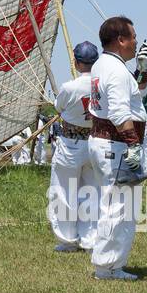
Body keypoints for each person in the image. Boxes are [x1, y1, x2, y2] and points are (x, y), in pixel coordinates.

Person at [86, 16, 147, 281]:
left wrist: (142, 68)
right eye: (133, 37)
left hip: (106, 143)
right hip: (118, 146)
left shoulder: (105, 65)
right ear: (121, 40)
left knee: (114, 204)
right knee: (119, 208)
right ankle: (107, 266)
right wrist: (134, 146)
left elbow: (134, 97)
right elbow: (120, 111)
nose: (136, 42)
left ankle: (110, 262)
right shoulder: (116, 70)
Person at [48, 41, 99, 252]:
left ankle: (68, 240)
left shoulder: (69, 87)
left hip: (70, 145)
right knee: (91, 193)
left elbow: (59, 107)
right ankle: (90, 240)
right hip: (95, 144)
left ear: (77, 63)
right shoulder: (102, 87)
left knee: (64, 191)